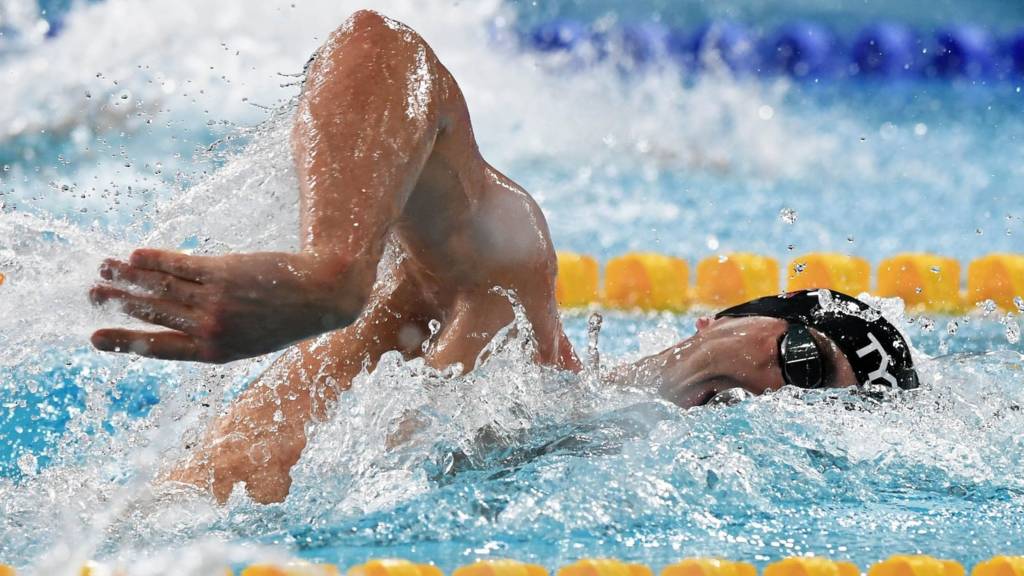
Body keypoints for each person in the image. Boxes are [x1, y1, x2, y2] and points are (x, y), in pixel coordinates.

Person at [88, 10, 918, 505]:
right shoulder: (510, 310)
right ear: (728, 318)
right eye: (806, 362)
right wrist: (335, 273)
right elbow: (385, 50)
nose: (784, 401)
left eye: (822, 417)